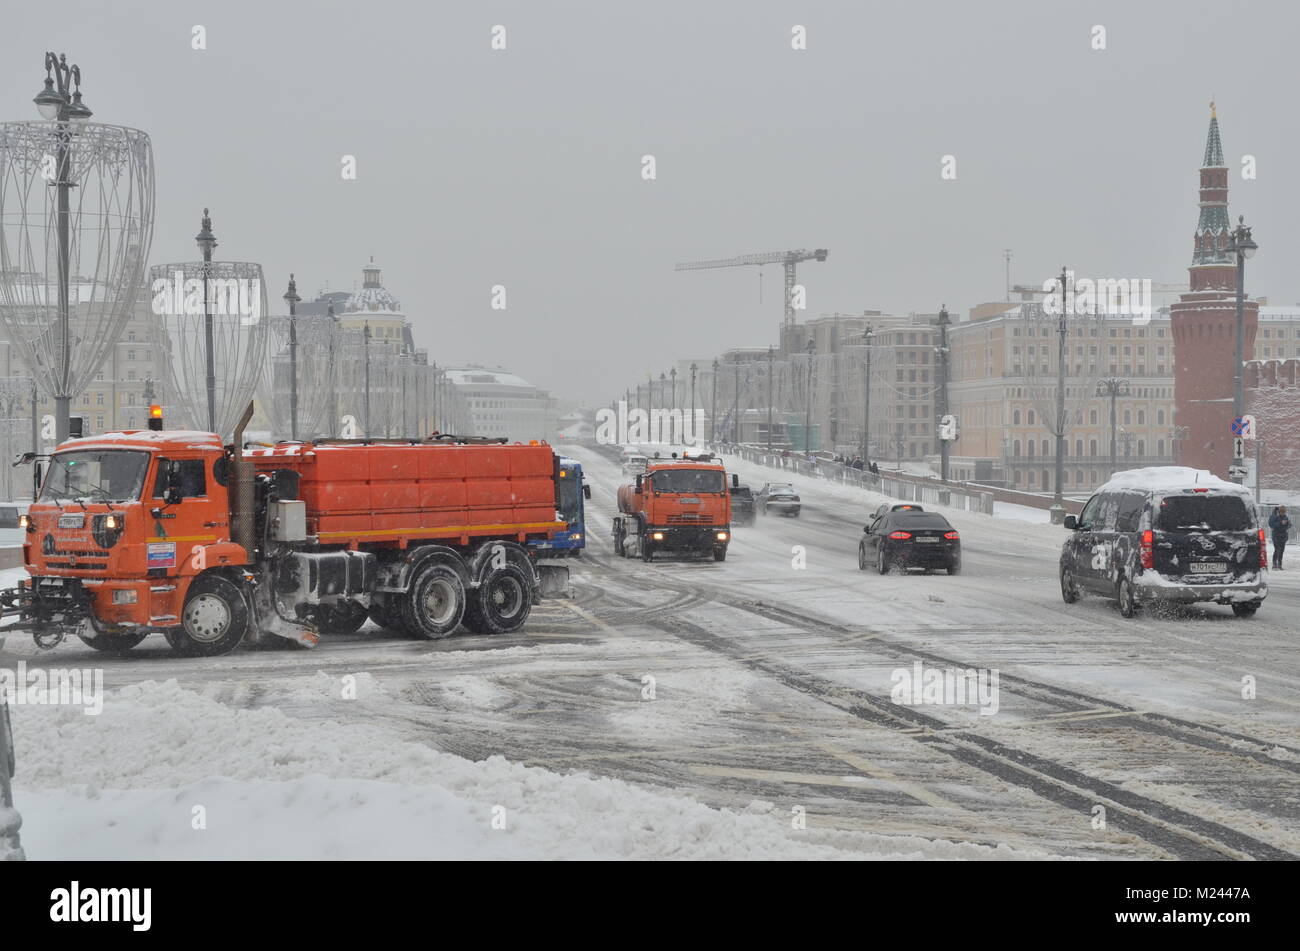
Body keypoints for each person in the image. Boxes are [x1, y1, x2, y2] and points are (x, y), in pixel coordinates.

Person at [1268, 505, 1291, 570]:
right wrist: (1280, 523)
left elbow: (1289, 525)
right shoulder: (1275, 516)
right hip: (1276, 535)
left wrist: (1288, 524)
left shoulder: (1285, 517)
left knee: (1281, 550)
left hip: (1283, 536)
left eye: (1284, 512)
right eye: (1282, 512)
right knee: (1277, 549)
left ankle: (1279, 564)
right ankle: (1274, 564)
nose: (1283, 513)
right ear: (1279, 511)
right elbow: (1271, 524)